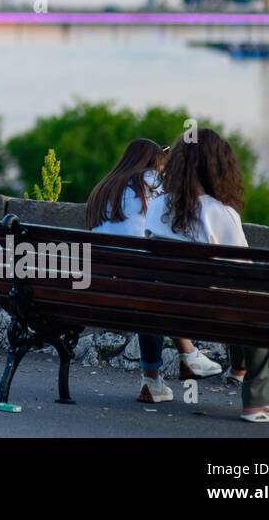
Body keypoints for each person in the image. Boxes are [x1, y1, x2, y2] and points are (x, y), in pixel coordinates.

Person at [145, 129, 269, 424]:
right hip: (212, 310)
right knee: (264, 298)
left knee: (240, 296)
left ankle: (239, 369)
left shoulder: (156, 205)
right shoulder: (219, 213)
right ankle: (261, 399)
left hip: (167, 306)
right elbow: (243, 272)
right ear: (217, 167)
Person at [86, 139, 221, 402]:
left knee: (150, 291)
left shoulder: (103, 189)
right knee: (160, 289)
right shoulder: (148, 181)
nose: (164, 166)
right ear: (151, 161)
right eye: (162, 160)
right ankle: (188, 355)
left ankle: (156, 380)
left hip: (102, 284)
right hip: (138, 281)